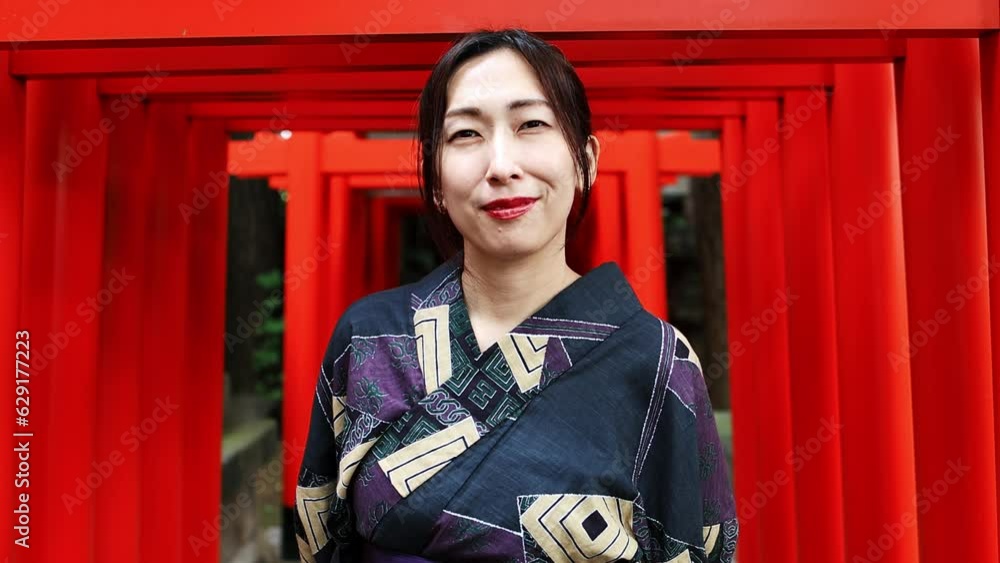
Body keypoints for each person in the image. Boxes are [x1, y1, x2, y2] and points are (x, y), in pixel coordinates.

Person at [293, 28, 737, 563]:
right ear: (435, 176)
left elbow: (699, 547)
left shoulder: (658, 362)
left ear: (584, 160)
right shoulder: (367, 338)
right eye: (466, 135)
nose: (501, 166)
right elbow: (321, 538)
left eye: (532, 125)